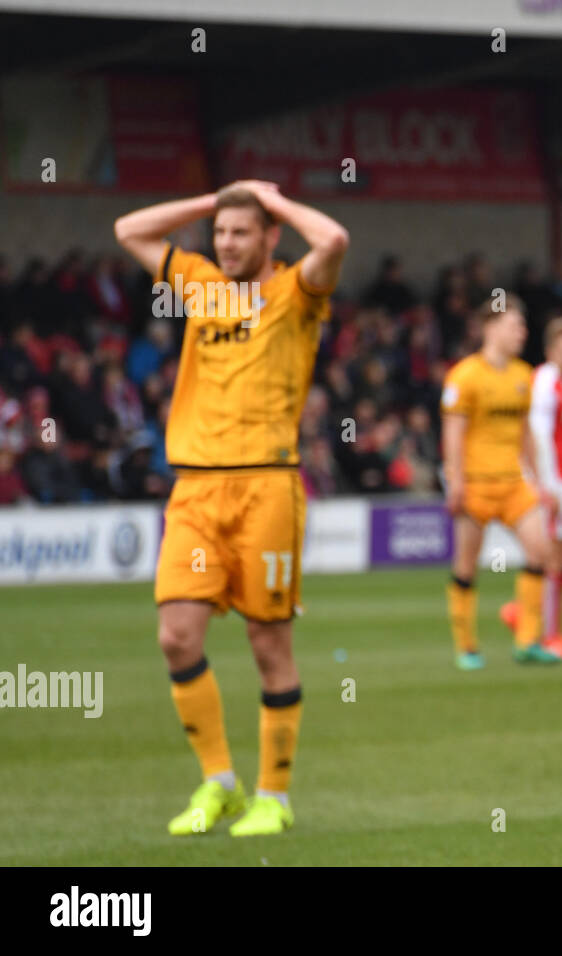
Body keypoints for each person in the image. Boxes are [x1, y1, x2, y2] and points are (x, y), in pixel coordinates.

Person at [114, 179, 348, 836]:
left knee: (268, 642)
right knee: (175, 636)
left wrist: (273, 202)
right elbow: (129, 229)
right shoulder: (198, 283)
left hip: (267, 486)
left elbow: (333, 239)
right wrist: (212, 200)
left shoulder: (296, 292)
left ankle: (274, 795)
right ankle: (219, 782)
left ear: (271, 236)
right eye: (221, 233)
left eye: (242, 232)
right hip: (194, 489)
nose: (228, 243)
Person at [441, 295, 561, 669]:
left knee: (540, 553)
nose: (522, 333)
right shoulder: (464, 376)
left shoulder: (524, 376)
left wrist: (541, 482)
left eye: (523, 326)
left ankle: (526, 641)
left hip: (513, 485)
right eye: (515, 326)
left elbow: (527, 437)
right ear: (490, 328)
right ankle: (467, 647)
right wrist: (455, 481)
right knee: (466, 565)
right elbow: (453, 434)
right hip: (475, 485)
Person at [500, 317, 562, 659]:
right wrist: (546, 485)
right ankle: (551, 636)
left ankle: (523, 610)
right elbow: (537, 435)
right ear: (552, 350)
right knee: (555, 557)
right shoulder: (544, 381)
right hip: (552, 481)